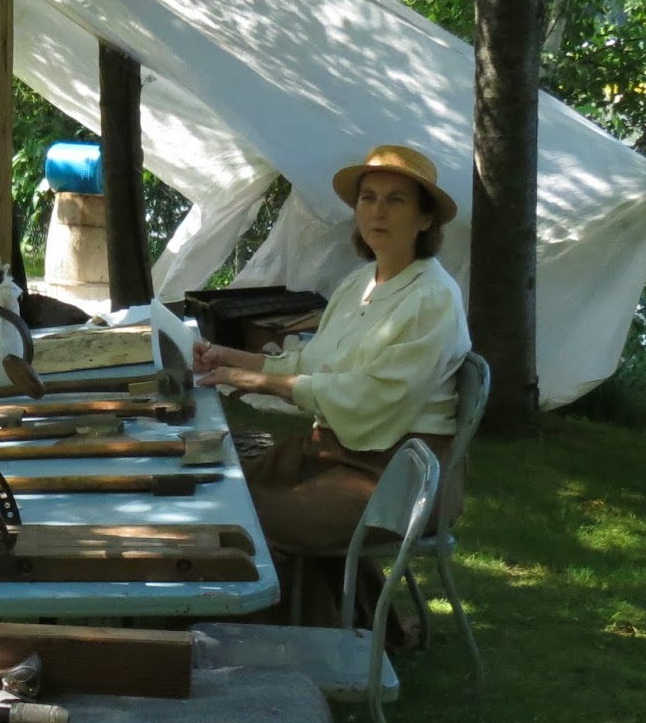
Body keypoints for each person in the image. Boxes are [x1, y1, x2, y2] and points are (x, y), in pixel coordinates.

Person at [193, 144, 470, 622]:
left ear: (426, 221)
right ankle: (327, 619)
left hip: (397, 475)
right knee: (222, 495)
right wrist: (231, 357)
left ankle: (285, 633)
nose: (377, 211)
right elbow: (316, 363)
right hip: (341, 450)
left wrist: (260, 382)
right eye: (368, 198)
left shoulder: (433, 298)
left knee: (251, 521)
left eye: (396, 200)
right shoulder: (361, 283)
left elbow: (370, 398)